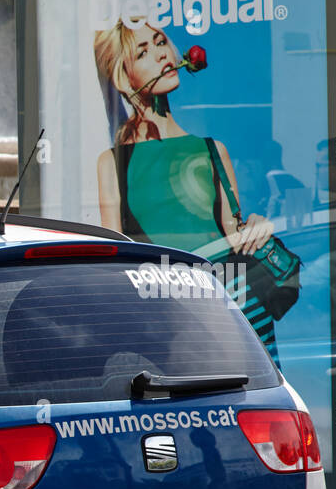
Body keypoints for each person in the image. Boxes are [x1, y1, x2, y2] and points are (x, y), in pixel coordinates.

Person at [93, 19, 281, 362]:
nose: (162, 55)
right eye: (143, 51)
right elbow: (116, 260)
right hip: (168, 314)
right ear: (124, 75)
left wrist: (257, 225)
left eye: (160, 42)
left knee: (254, 404)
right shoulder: (112, 163)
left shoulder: (212, 149)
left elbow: (233, 233)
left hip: (236, 305)